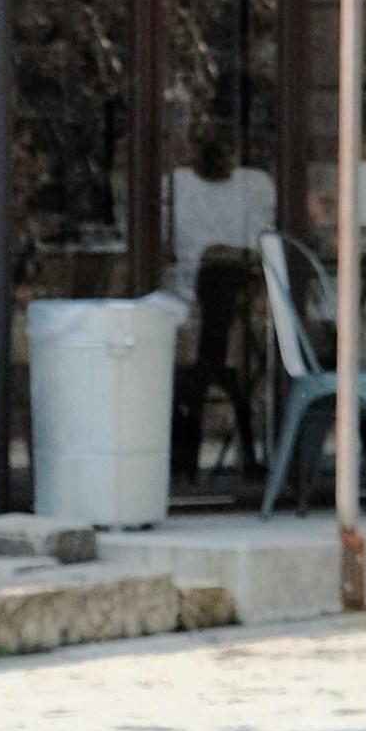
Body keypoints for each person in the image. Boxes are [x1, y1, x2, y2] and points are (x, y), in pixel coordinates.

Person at [164, 123, 279, 477]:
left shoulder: (249, 186)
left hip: (217, 311)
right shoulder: (181, 186)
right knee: (205, 365)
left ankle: (183, 460)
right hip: (215, 312)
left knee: (195, 368)